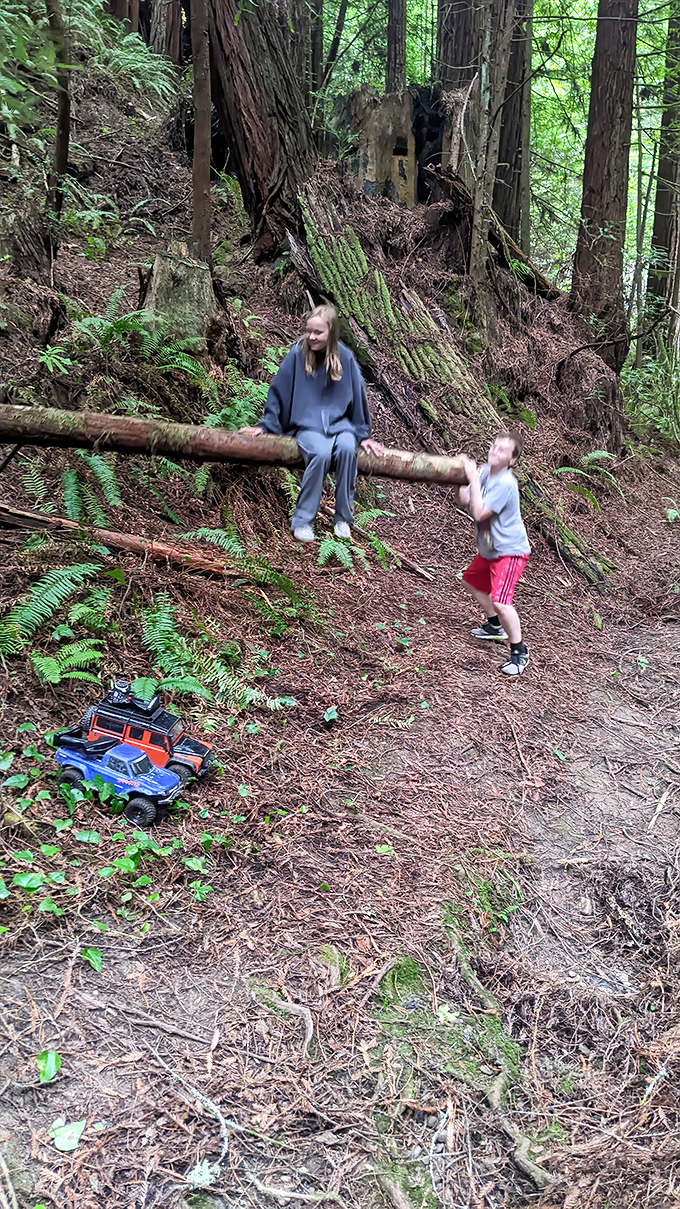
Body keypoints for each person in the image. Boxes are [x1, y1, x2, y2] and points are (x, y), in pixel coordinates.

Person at [241, 305, 384, 542]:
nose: (311, 337)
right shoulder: (297, 354)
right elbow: (278, 393)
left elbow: (358, 397)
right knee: (320, 453)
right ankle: (303, 520)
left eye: (318, 332)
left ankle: (343, 519)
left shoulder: (345, 358)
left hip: (340, 426)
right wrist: (266, 426)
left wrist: (363, 434)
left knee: (349, 449)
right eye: (308, 331)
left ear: (332, 333)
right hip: (307, 426)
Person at [457, 432, 531, 677]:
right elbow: (464, 499)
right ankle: (494, 626)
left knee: (501, 600)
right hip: (491, 547)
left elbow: (479, 513)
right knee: (473, 583)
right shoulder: (485, 471)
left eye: (502, 450)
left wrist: (473, 479)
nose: (494, 451)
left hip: (509, 551)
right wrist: (462, 475)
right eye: (493, 445)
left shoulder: (507, 483)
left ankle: (519, 652)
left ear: (512, 460)